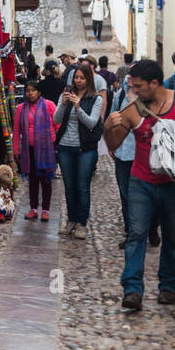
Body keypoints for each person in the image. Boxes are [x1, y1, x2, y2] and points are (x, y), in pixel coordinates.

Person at [105, 59, 175, 309]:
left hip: (172, 183)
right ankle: (132, 290)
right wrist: (108, 129)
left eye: (139, 87)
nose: (135, 91)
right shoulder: (133, 109)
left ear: (154, 84)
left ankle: (168, 286)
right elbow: (113, 145)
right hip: (141, 181)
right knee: (137, 234)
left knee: (173, 236)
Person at [52, 62, 107, 239]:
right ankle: (71, 220)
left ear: (88, 79)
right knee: (69, 187)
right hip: (66, 147)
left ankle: (82, 223)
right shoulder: (68, 95)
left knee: (82, 187)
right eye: (76, 77)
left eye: (82, 78)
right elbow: (56, 119)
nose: (79, 81)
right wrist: (62, 103)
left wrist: (78, 108)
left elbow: (92, 122)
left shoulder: (96, 99)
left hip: (85, 149)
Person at [108, 78, 161, 250]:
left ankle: (152, 228)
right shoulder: (121, 93)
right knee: (126, 195)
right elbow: (113, 116)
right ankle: (131, 232)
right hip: (123, 153)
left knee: (148, 194)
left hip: (143, 153)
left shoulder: (151, 96)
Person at [13, 80, 56, 221]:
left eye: (33, 90)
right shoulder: (21, 108)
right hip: (28, 149)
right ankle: (33, 208)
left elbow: (57, 123)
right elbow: (17, 130)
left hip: (45, 149)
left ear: (39, 92)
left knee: (46, 179)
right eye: (27, 91)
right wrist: (16, 150)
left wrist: (54, 141)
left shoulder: (49, 106)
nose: (30, 94)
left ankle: (45, 209)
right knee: (32, 179)